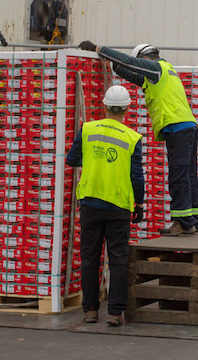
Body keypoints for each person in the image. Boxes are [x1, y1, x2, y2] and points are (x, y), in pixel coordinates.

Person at [77, 41, 198, 236]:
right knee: (188, 176)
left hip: (178, 128)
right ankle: (192, 220)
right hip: (187, 128)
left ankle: (182, 222)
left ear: (144, 59)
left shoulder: (158, 68)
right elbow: (125, 70)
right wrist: (111, 63)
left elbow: (128, 62)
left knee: (179, 177)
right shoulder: (163, 74)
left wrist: (98, 49)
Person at [65, 86, 145, 327]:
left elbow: (71, 159)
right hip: (117, 205)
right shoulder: (132, 138)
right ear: (127, 109)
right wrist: (139, 204)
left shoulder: (88, 129)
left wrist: (92, 160)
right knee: (118, 258)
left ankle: (90, 310)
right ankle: (114, 312)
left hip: (90, 202)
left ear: (105, 105)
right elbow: (137, 176)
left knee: (90, 257)